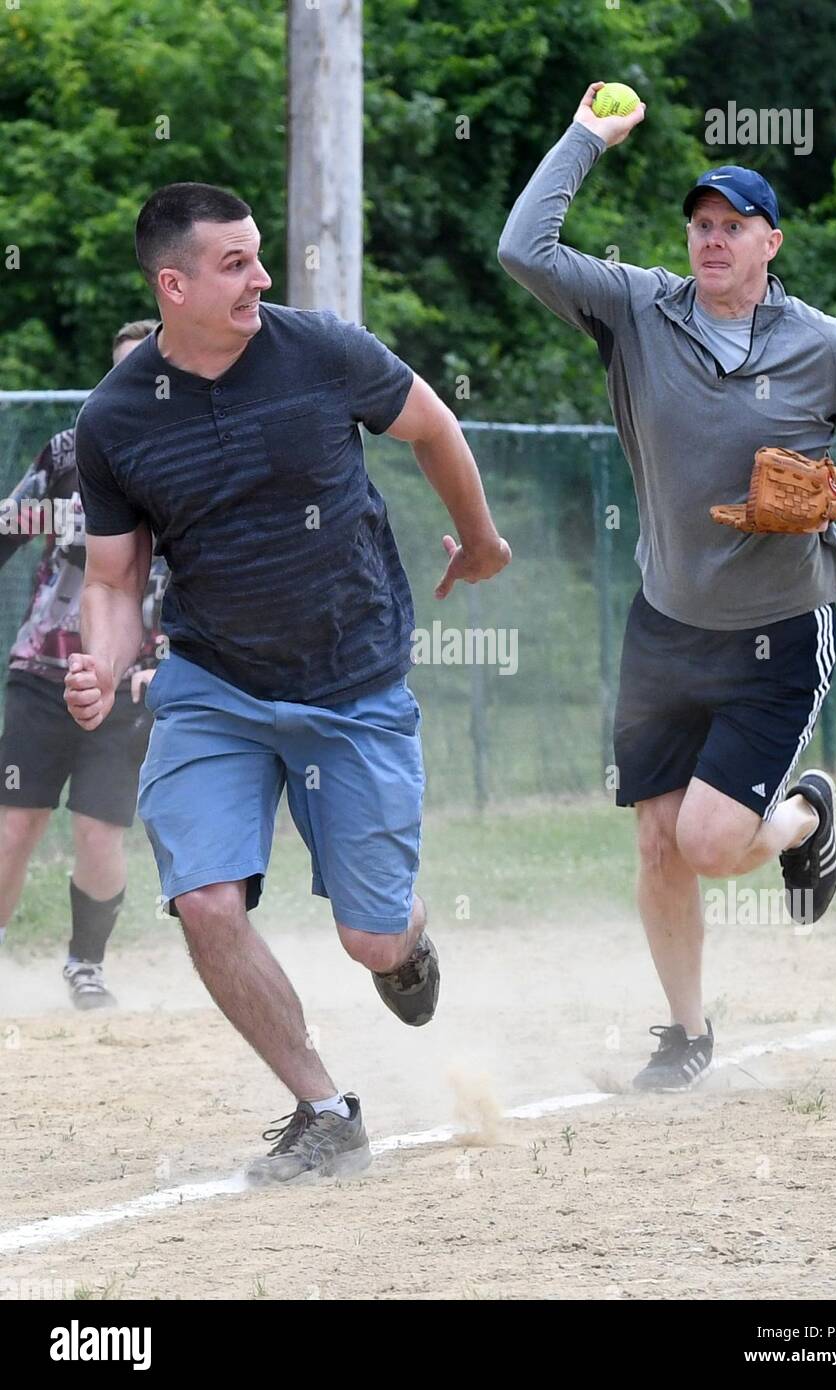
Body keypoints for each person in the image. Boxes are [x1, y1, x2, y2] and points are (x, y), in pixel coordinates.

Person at [67, 183, 510, 1179]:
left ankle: (405, 938)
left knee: (370, 938)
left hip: (351, 681)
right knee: (206, 898)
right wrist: (101, 660)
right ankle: (323, 1109)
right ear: (172, 285)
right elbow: (113, 577)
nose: (260, 277)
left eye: (259, 255)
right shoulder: (116, 417)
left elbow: (432, 426)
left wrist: (479, 541)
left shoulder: (321, 352)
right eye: (234, 263)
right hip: (213, 684)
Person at [498, 83, 836, 1090]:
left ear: (768, 243)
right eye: (698, 224)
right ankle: (685, 1035)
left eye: (730, 226)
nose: (708, 239)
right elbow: (524, 250)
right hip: (663, 624)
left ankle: (802, 819)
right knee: (655, 841)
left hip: (773, 631)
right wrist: (581, 138)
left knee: (707, 840)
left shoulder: (819, 346)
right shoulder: (641, 309)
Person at [0, 320, 167, 1007]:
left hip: (129, 679)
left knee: (99, 835)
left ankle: (85, 965)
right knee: (15, 823)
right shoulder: (69, 455)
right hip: (44, 671)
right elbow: (9, 528)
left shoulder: (186, 466)